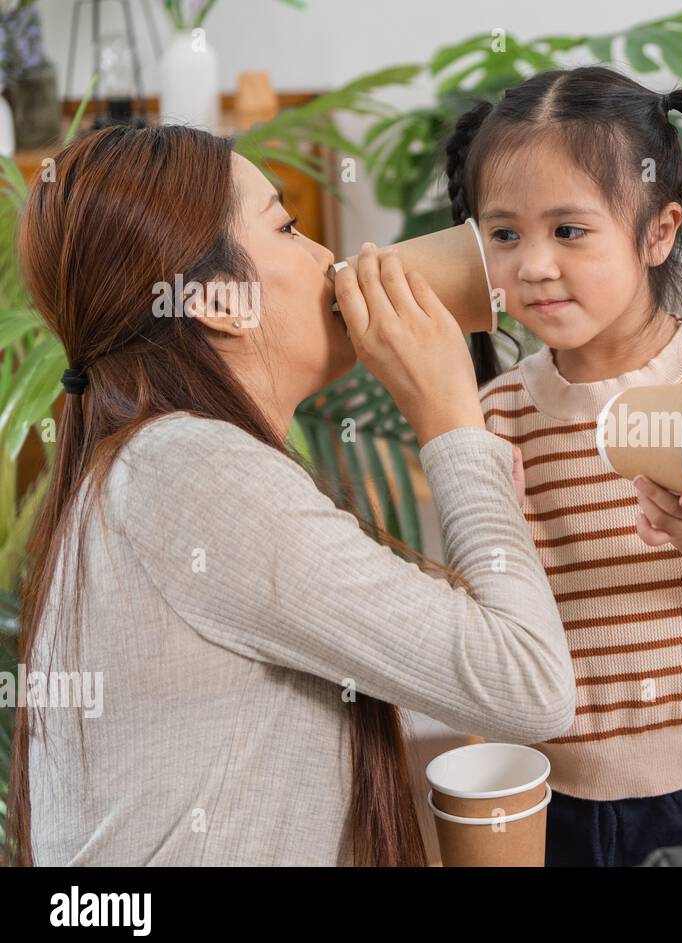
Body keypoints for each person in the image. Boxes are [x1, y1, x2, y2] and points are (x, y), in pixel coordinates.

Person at [5, 124, 575, 866]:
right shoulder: (193, 472)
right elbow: (528, 686)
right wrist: (450, 419)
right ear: (214, 299)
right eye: (287, 226)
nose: (331, 260)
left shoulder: (156, 462)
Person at [448, 66, 682, 866]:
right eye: (504, 235)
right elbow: (493, 617)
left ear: (658, 232)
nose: (534, 265)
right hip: (561, 796)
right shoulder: (499, 413)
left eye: (569, 231)